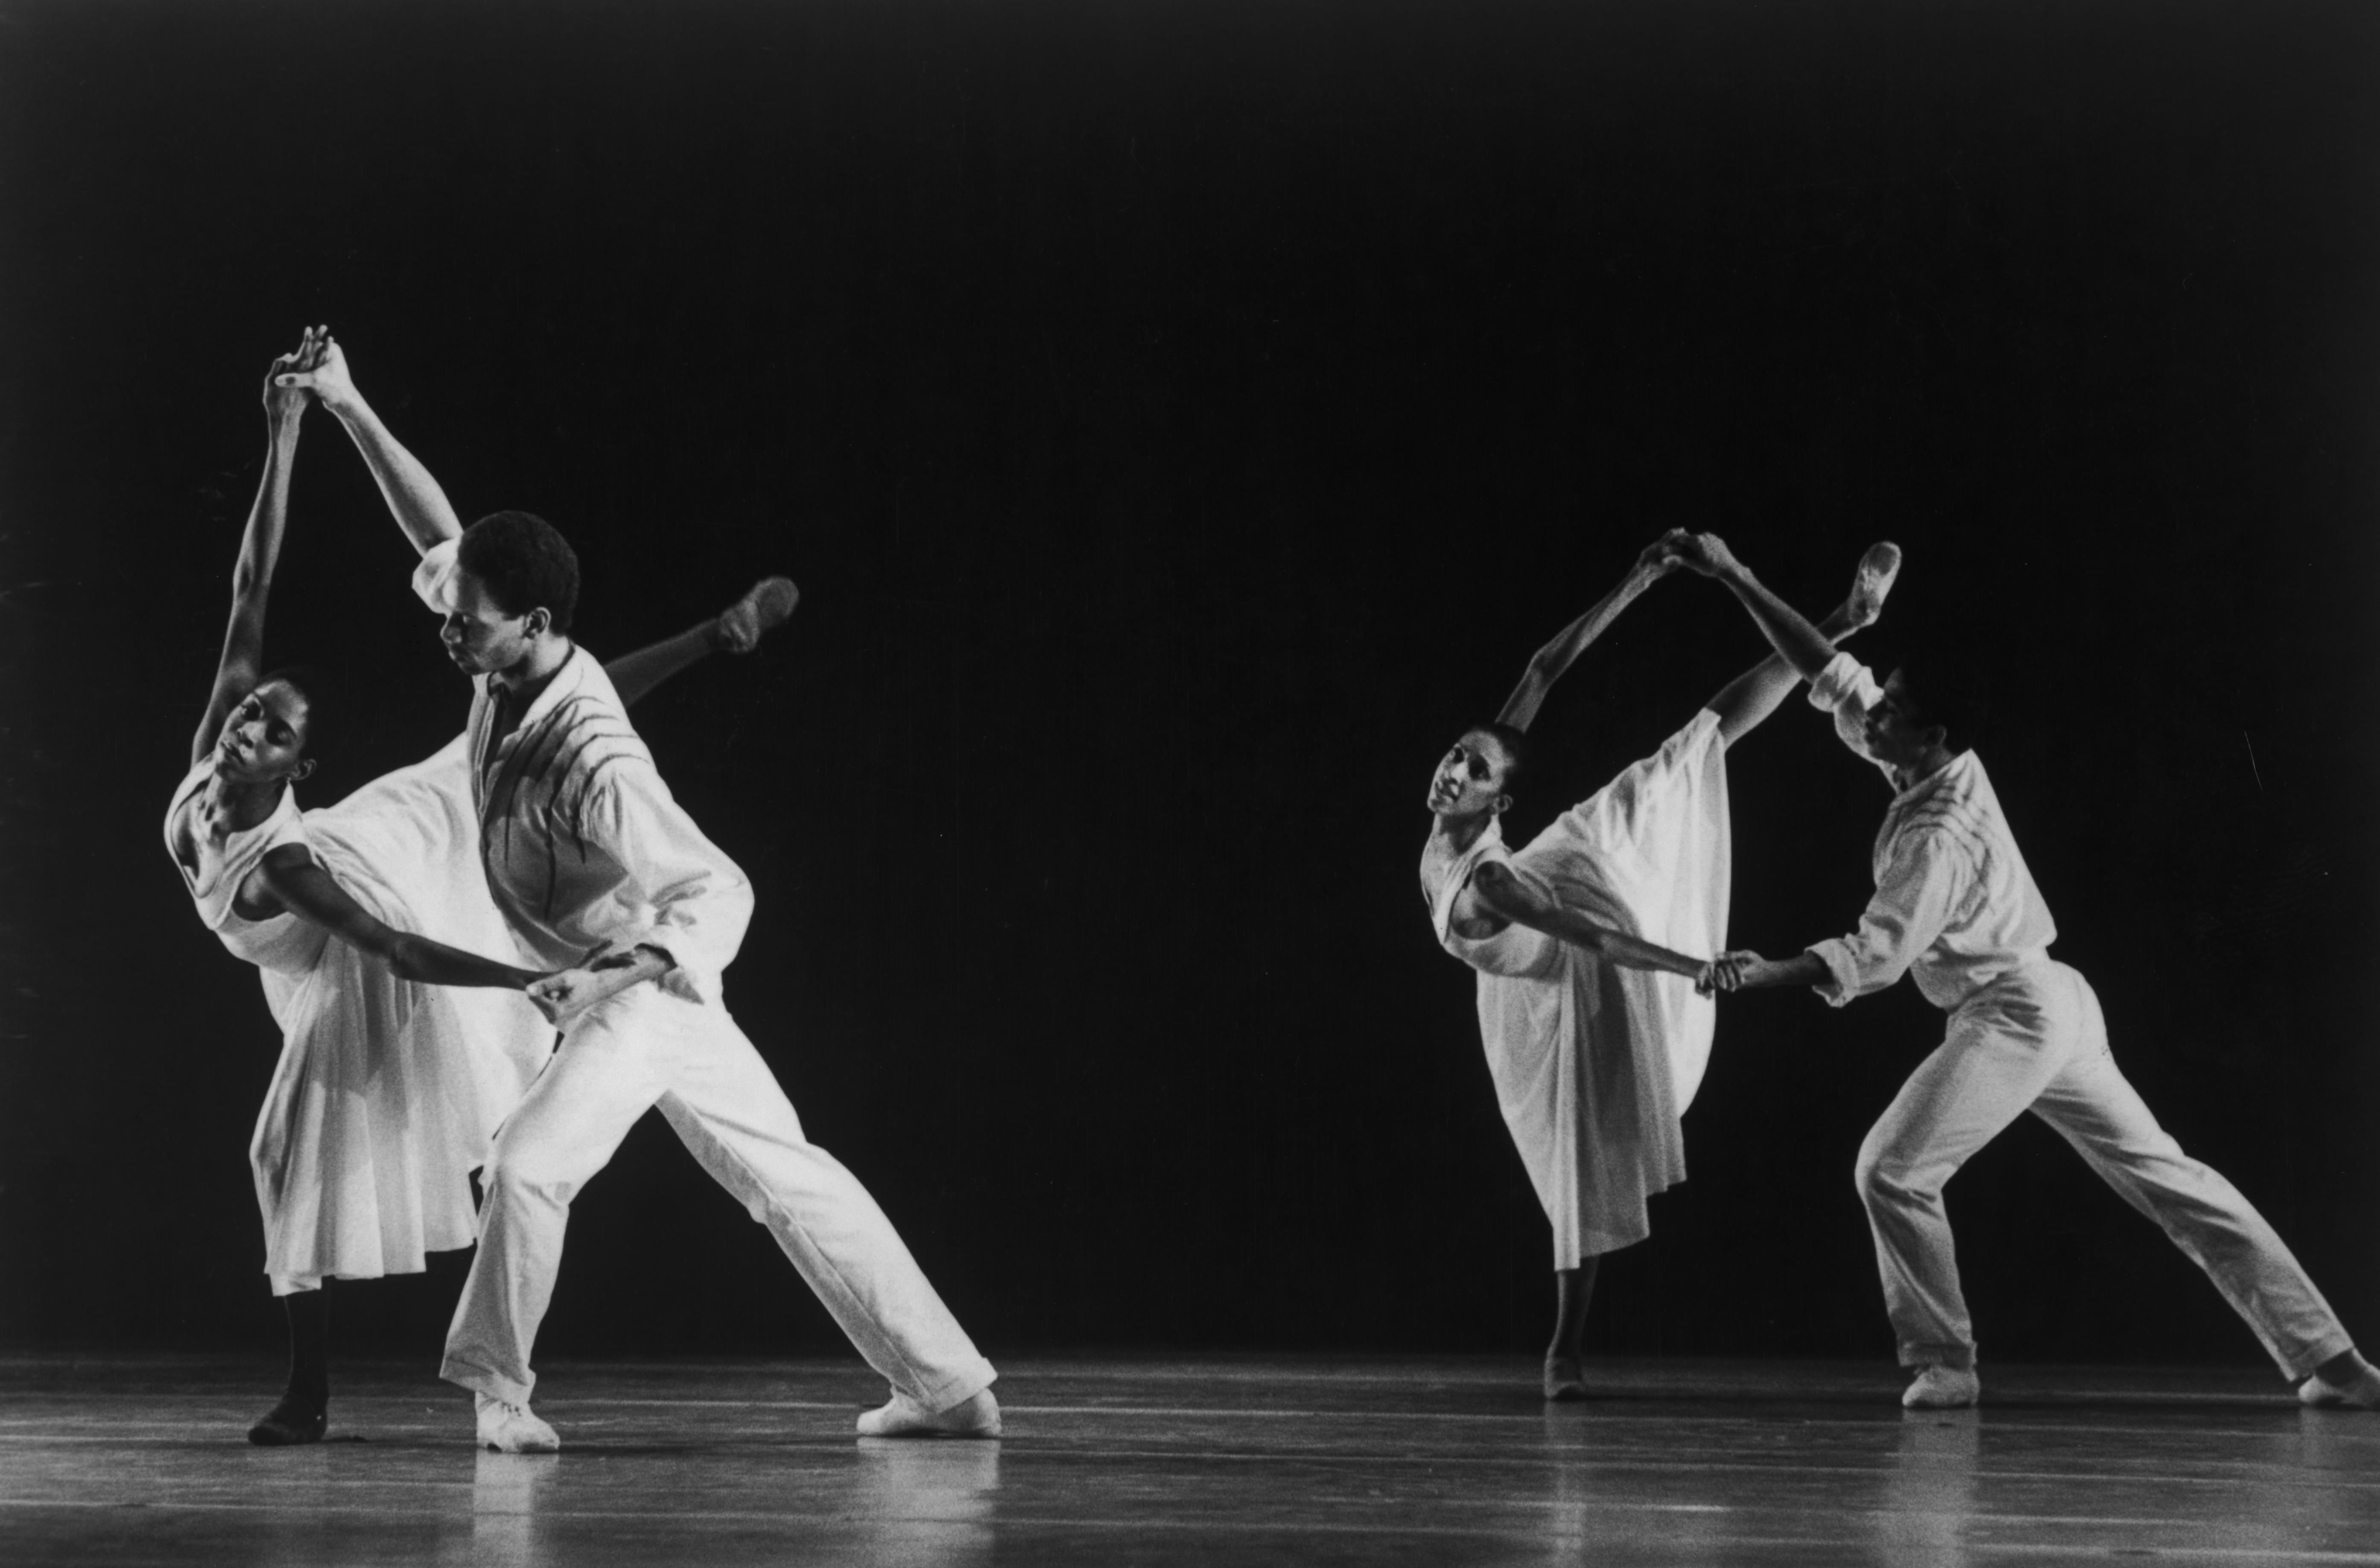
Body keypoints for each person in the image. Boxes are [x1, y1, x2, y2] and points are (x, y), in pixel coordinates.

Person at [278, 333, 1000, 1453]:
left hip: (638, 992)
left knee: (526, 1166)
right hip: (627, 985)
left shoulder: (595, 760)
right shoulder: (506, 646)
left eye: (466, 615)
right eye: (453, 607)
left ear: (537, 625)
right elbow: (434, 534)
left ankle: (499, 1397)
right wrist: (349, 403)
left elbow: (716, 888)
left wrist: (633, 964)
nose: (446, 623)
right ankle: (948, 1386)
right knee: (786, 1173)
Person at [172, 332, 805, 1447]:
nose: (244, 726)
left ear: (296, 771)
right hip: (402, 831)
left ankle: (313, 1391)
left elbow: (404, 953)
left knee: (291, 1143)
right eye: (246, 713)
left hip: (394, 874)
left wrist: (542, 977)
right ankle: (710, 636)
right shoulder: (210, 764)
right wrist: (294, 427)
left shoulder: (288, 862)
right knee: (543, 714)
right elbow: (256, 577)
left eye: (272, 727)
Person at [1682, 532, 2380, 1412]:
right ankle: (2335, 1363)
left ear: (1929, 735)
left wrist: (1763, 971)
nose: (1871, 714)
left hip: (2015, 1014)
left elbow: (1880, 954)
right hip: (2054, 1005)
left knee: (1890, 1170)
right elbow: (1826, 672)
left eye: (1890, 709)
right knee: (2174, 1182)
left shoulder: (1940, 834)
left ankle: (1946, 1361)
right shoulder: (1923, 757)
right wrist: (1740, 576)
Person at [1419, 532, 1899, 1398]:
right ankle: (1567, 1344)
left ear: (1502, 799)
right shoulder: (1460, 813)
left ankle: (1845, 622)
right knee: (1571, 1146)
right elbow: (1540, 667)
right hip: (1521, 984)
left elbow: (1595, 940)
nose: (1454, 773)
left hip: (1572, 897)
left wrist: (1693, 967)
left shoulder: (1490, 877)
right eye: (1455, 757)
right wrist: (1634, 579)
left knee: (1687, 752)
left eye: (1475, 768)